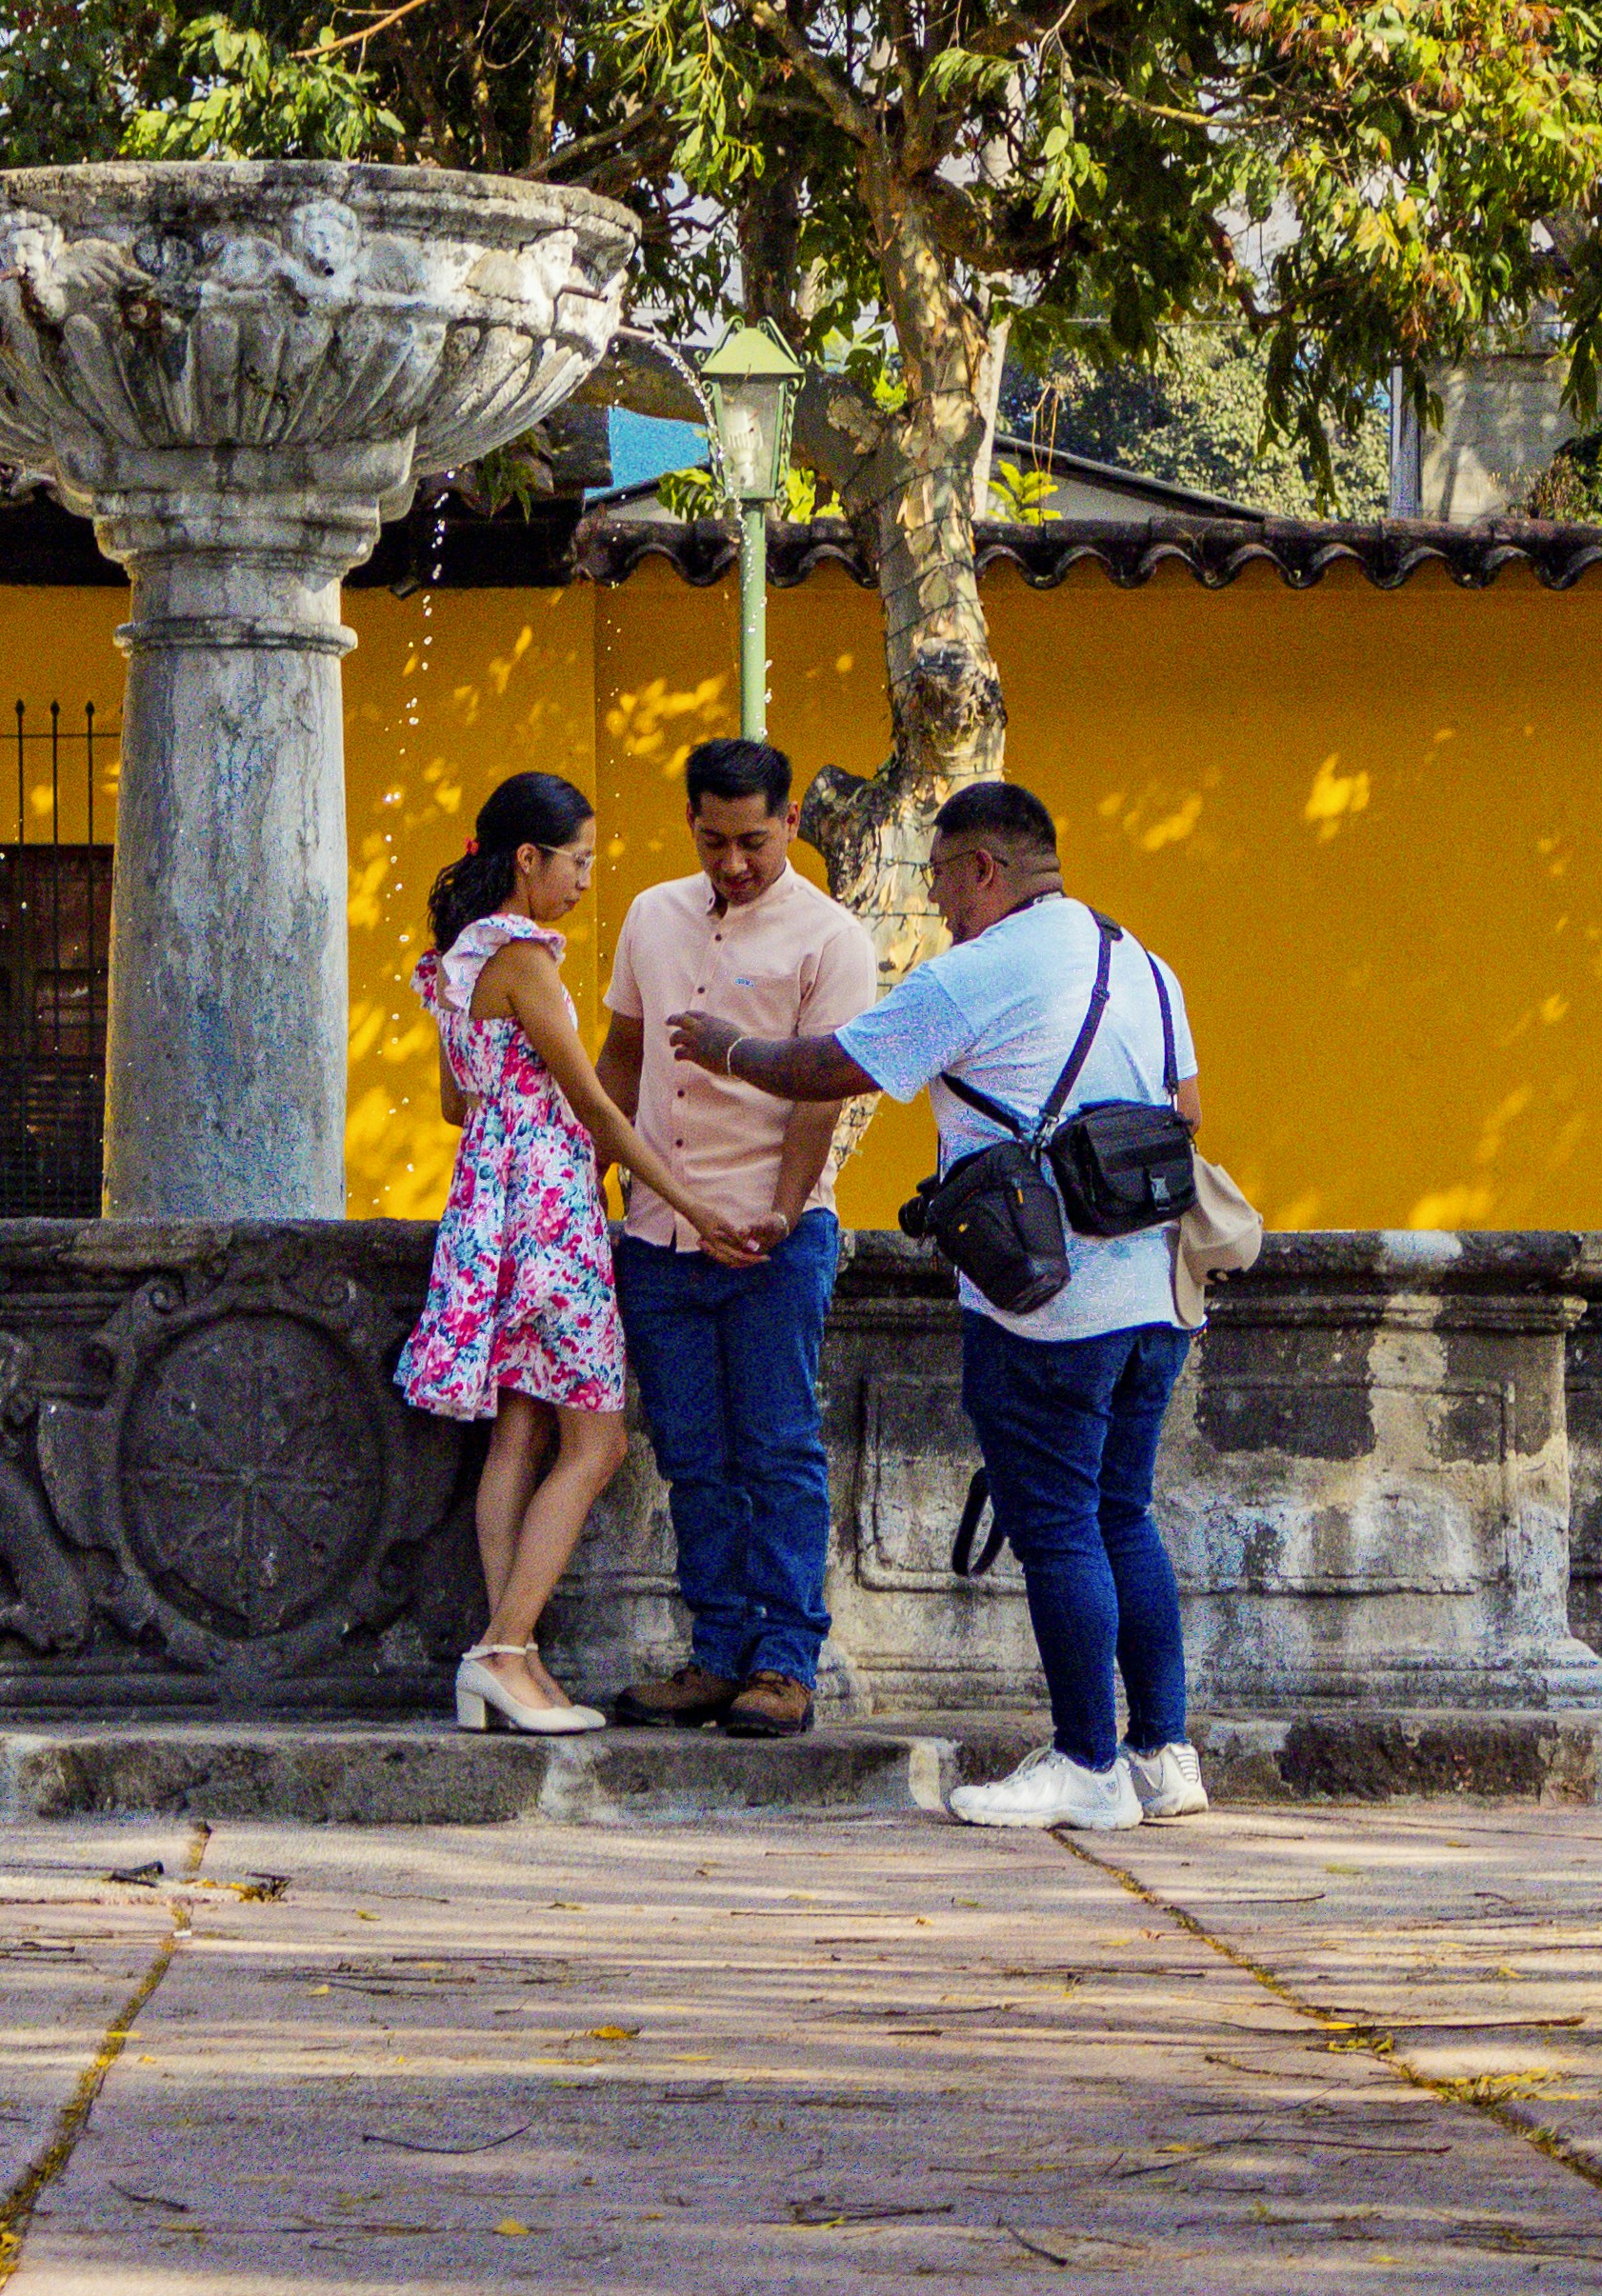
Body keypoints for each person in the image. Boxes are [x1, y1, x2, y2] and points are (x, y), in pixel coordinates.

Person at [671, 778, 1210, 1828]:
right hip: (1159, 1291)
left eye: (942, 883)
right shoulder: (1144, 963)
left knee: (1057, 1528)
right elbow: (1184, 1112)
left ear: (983, 869)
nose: (941, 905)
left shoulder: (975, 970)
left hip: (1047, 1303)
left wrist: (726, 1046)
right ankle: (1164, 1754)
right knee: (1124, 1517)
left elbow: (834, 1066)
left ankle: (1089, 1766)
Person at [400, 769, 774, 1736]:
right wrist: (695, 1207)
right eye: (579, 860)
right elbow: (599, 1109)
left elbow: (457, 1102)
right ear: (528, 858)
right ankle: (500, 1649)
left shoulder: (458, 957)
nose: (585, 879)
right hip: (550, 1206)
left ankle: (511, 1657)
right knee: (597, 1442)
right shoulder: (523, 956)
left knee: (520, 1433)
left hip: (489, 1194)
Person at [595, 737, 879, 1740]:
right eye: (713, 840)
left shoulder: (831, 939)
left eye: (753, 840)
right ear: (690, 823)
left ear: (791, 822)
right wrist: (588, 1179)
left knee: (779, 1449)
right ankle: (717, 1652)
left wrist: (784, 1209)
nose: (732, 863)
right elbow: (622, 1059)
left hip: (773, 1234)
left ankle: (785, 1662)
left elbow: (822, 1094)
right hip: (658, 1234)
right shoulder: (649, 916)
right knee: (692, 1453)